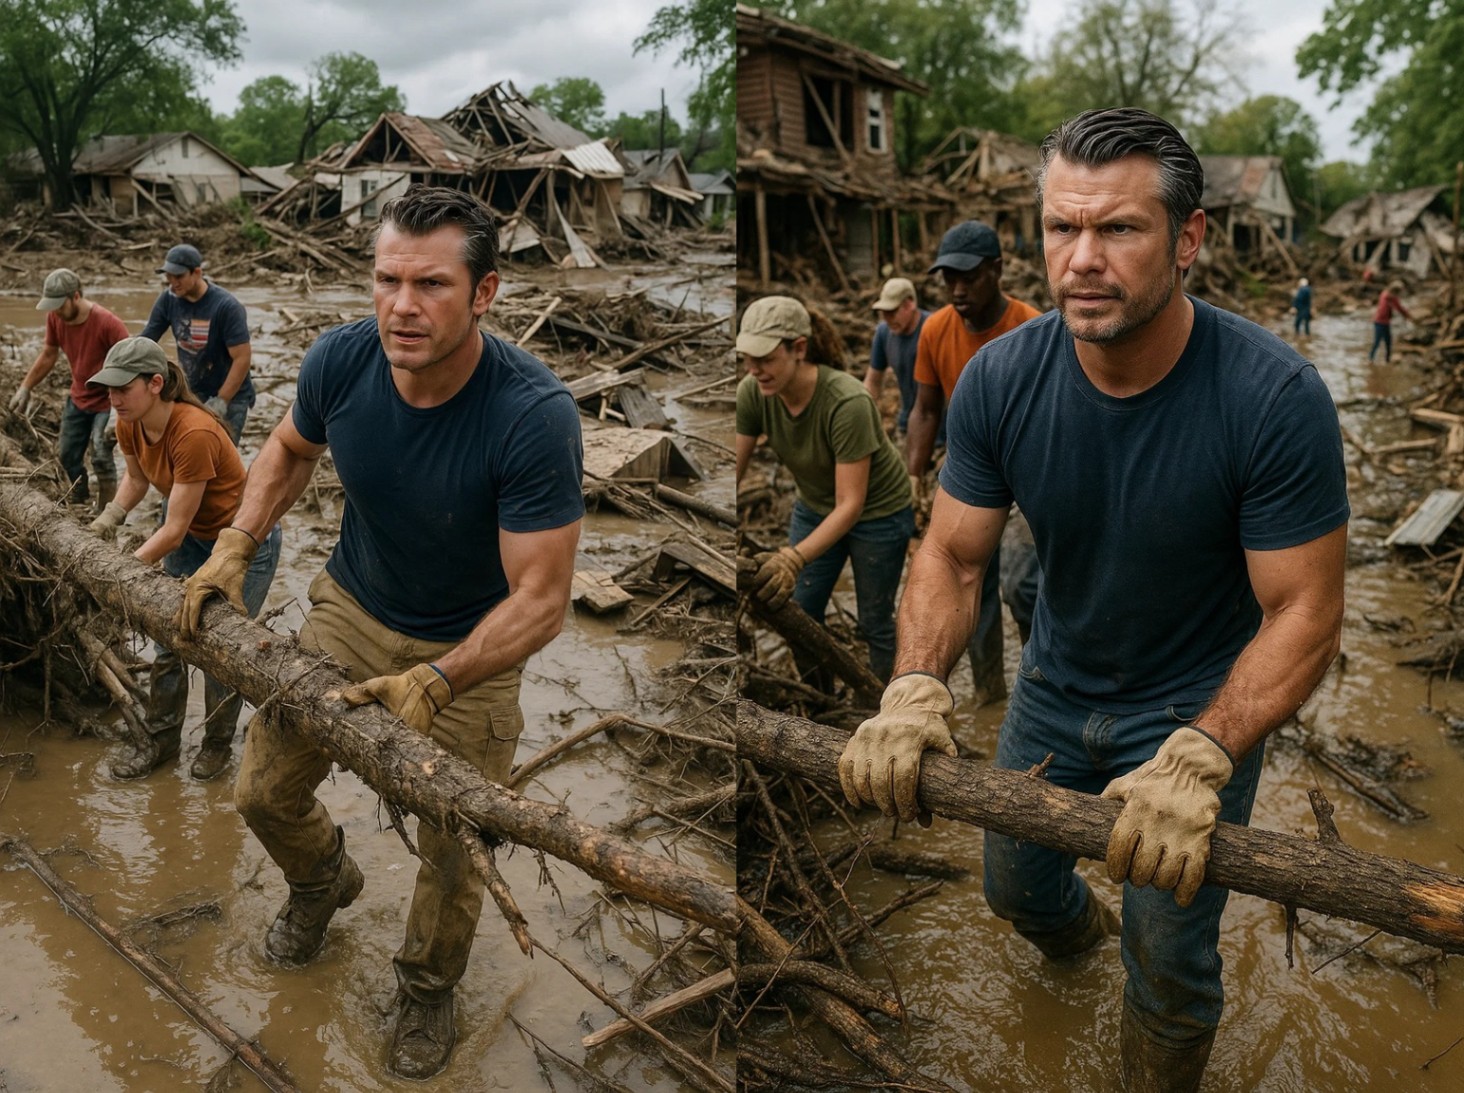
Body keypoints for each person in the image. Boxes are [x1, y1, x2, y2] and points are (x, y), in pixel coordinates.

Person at [837, 108, 1348, 1092]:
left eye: (1118, 228)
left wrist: (1204, 751)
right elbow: (953, 555)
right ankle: (1082, 945)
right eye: (1061, 227)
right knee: (1013, 888)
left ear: (1188, 239)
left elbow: (1306, 613)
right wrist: (913, 685)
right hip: (1055, 686)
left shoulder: (1273, 397)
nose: (1082, 259)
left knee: (1171, 962)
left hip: (1197, 709)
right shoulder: (1000, 380)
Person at [174, 185, 584, 1080]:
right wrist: (234, 547)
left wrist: (439, 679)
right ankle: (323, 879)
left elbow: (542, 599)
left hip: (474, 645)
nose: (402, 305)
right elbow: (288, 449)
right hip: (353, 608)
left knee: (454, 842)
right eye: (387, 280)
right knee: (261, 788)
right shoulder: (341, 359)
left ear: (485, 293)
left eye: (431, 284)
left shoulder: (531, 414)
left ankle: (427, 987)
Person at [84, 338, 281, 781]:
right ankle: (161, 740)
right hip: (193, 535)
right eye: (109, 389)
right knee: (168, 640)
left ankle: (216, 745)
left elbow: (171, 532)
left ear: (156, 384)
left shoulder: (193, 432)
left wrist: (119, 571)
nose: (113, 398)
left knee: (221, 648)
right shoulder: (129, 422)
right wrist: (108, 519)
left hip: (243, 543)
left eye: (122, 388)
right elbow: (137, 481)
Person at [736, 296, 913, 682]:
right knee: (799, 610)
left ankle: (884, 701)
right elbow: (730, 470)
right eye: (747, 358)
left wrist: (792, 559)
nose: (754, 369)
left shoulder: (847, 402)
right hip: (816, 505)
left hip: (879, 514)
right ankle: (821, 700)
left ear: (799, 349)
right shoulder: (752, 393)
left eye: (765, 358)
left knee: (875, 621)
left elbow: (851, 504)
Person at [906, 220, 1043, 705]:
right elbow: (926, 409)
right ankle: (990, 694)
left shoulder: (1032, 330)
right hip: (971, 467)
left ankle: (1039, 682)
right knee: (968, 578)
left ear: (997, 271)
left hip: (1030, 468)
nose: (958, 290)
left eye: (969, 278)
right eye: (949, 280)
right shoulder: (935, 330)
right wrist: (914, 476)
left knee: (1022, 585)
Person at [8, 269, 129, 508]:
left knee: (101, 456)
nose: (55, 312)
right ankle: (79, 500)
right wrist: (25, 387)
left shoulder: (108, 323)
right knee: (67, 456)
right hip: (78, 397)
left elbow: (130, 363)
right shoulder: (55, 318)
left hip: (107, 401)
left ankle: (108, 513)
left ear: (75, 296)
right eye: (52, 306)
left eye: (59, 305)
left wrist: (120, 408)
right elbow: (48, 354)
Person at [140, 243, 254, 444]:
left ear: (197, 273)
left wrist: (221, 401)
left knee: (221, 451)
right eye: (169, 276)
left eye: (179, 276)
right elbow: (147, 339)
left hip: (231, 394)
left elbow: (242, 358)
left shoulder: (226, 307)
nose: (173, 282)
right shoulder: (168, 300)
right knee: (188, 447)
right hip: (193, 390)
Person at [863, 277, 929, 435]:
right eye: (884, 314)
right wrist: (862, 412)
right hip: (908, 420)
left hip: (940, 423)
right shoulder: (884, 332)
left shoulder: (932, 328)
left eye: (892, 313)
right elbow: (873, 381)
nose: (887, 319)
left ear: (909, 304)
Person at [1368, 279, 1411, 363]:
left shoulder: (1392, 298)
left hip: (1385, 323)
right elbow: (1382, 311)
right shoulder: (1385, 297)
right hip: (1379, 323)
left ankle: (1387, 360)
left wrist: (1407, 315)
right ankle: (1371, 359)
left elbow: (1399, 308)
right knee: (1377, 342)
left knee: (1388, 342)